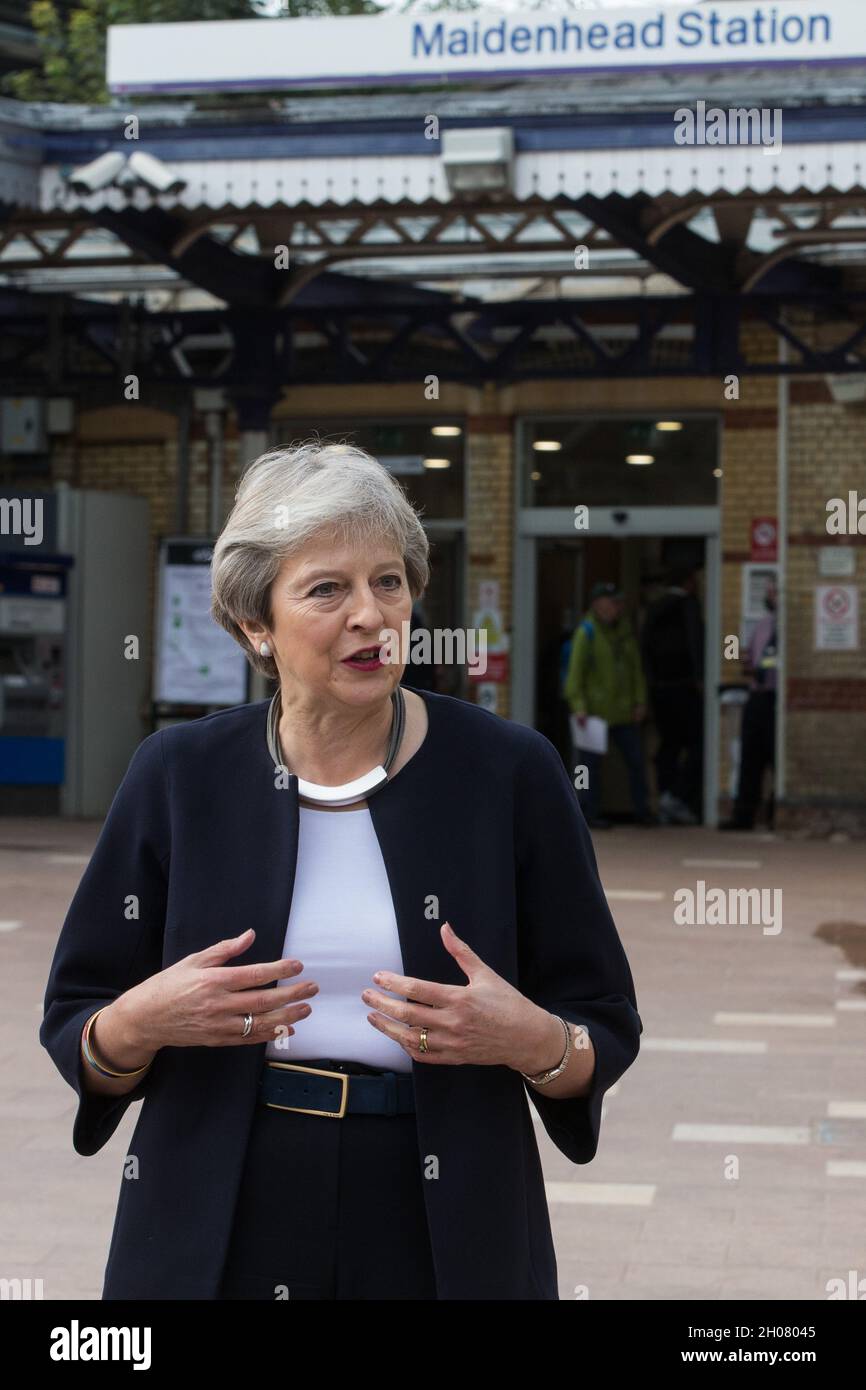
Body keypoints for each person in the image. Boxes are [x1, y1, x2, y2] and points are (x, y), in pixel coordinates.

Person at [39, 441, 641, 1301]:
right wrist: (143, 1020)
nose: (371, 614)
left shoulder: (510, 772)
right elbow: (80, 1027)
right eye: (328, 589)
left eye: (389, 582)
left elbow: (603, 1022)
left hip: (443, 1218)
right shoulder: (178, 774)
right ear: (256, 623)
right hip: (221, 1205)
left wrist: (536, 1042)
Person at [564, 581, 654, 829]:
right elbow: (575, 674)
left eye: (618, 602)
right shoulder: (586, 632)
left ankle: (643, 810)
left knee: (636, 762)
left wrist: (640, 701)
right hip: (593, 713)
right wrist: (578, 704)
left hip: (624, 712)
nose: (616, 607)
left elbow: (636, 671)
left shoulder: (625, 633)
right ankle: (586, 812)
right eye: (612, 602)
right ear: (597, 604)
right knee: (586, 767)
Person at [641, 567, 704, 826]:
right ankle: (677, 797)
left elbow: (643, 647)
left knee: (669, 744)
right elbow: (694, 641)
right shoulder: (687, 605)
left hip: (659, 690)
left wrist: (651, 684)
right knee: (702, 744)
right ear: (689, 581)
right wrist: (700, 675)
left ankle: (667, 797)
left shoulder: (655, 608)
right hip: (685, 687)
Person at [720, 579, 777, 831]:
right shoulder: (764, 624)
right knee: (750, 757)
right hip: (757, 696)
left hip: (778, 697)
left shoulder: (789, 627)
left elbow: (775, 662)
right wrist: (743, 660)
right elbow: (751, 659)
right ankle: (743, 815)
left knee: (777, 758)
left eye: (773, 591)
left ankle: (775, 814)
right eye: (768, 591)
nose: (769, 595)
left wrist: (765, 666)